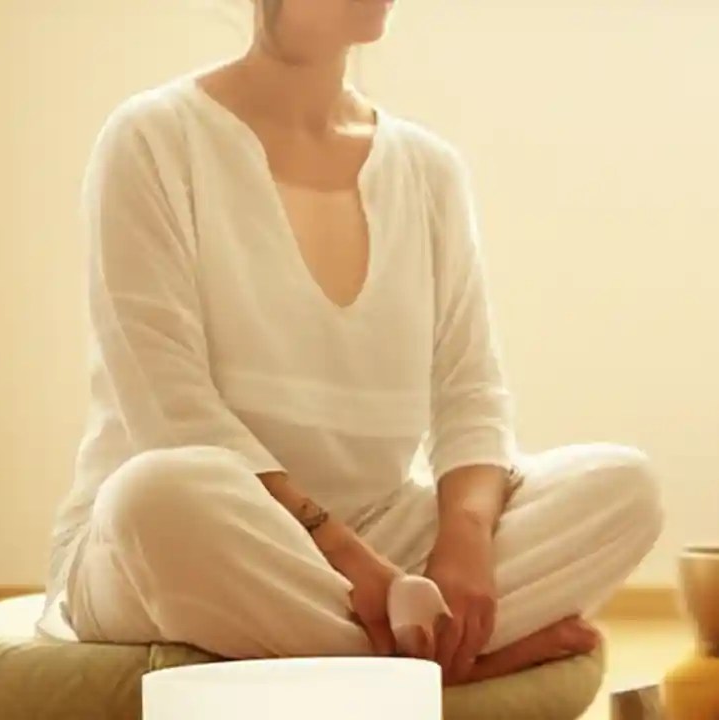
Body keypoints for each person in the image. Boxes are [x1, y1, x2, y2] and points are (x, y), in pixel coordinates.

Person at [37, 0, 664, 686]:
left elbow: (470, 395)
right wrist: (354, 564)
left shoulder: (429, 169)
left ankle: (375, 657)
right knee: (156, 496)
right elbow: (171, 413)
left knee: (623, 486)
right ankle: (454, 669)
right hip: (204, 538)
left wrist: (464, 543)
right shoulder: (153, 139)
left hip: (387, 534)